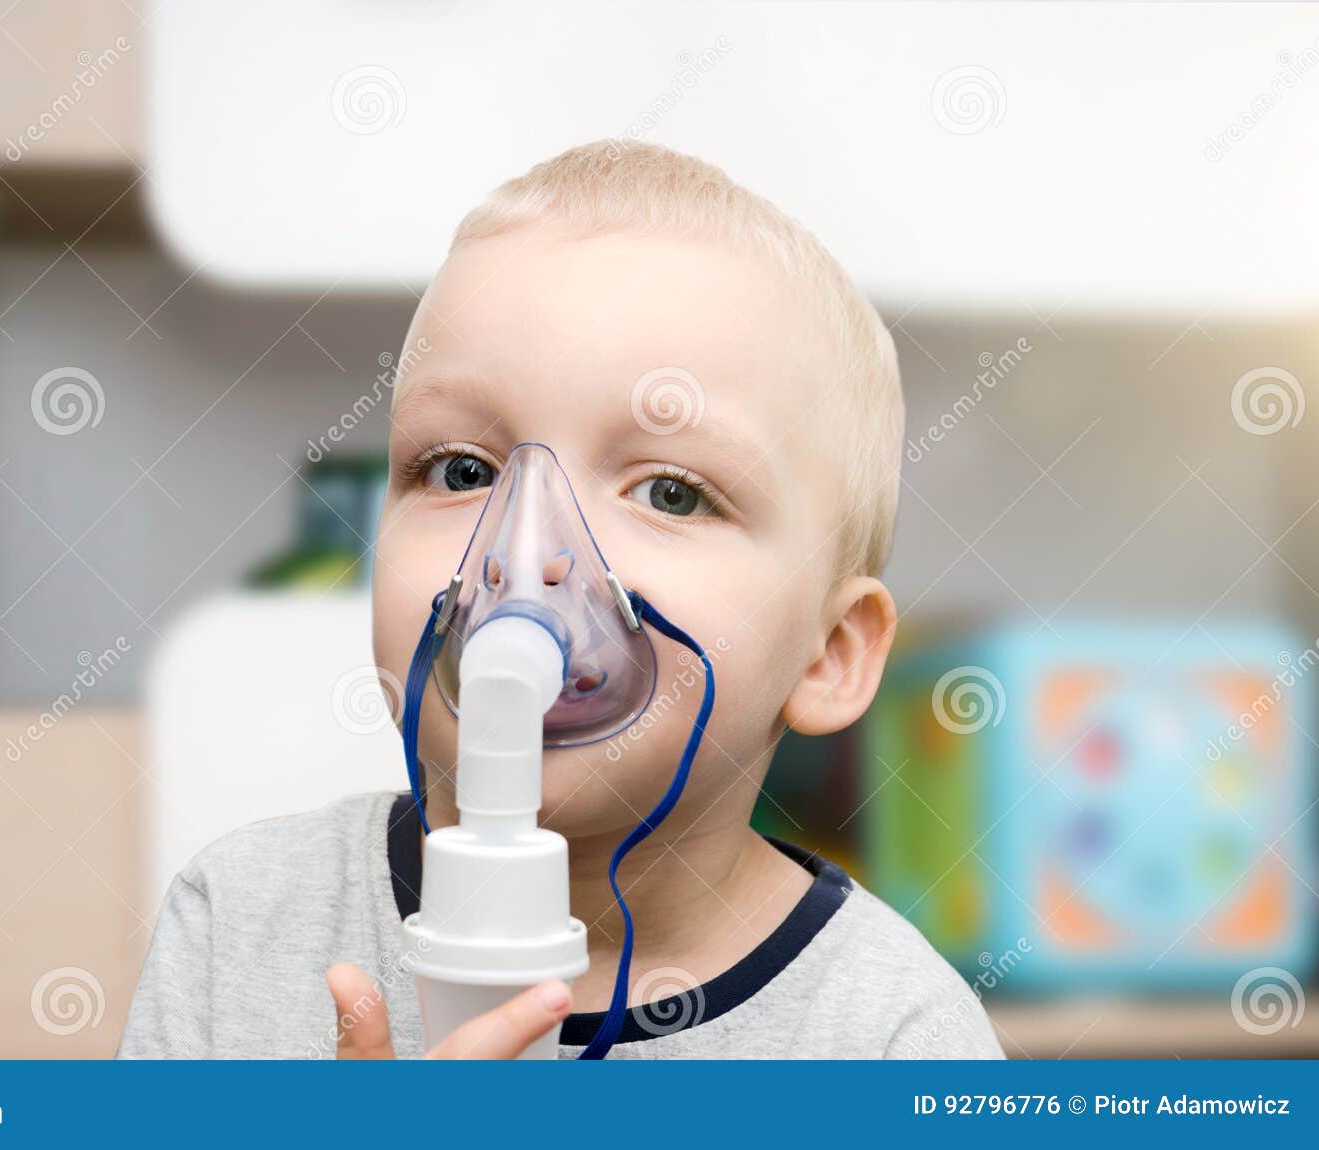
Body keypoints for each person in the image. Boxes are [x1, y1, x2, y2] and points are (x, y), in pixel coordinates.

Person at [119, 141, 1003, 1059]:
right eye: (462, 470)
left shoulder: (889, 1035)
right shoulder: (243, 927)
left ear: (828, 654)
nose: (525, 556)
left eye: (670, 491)